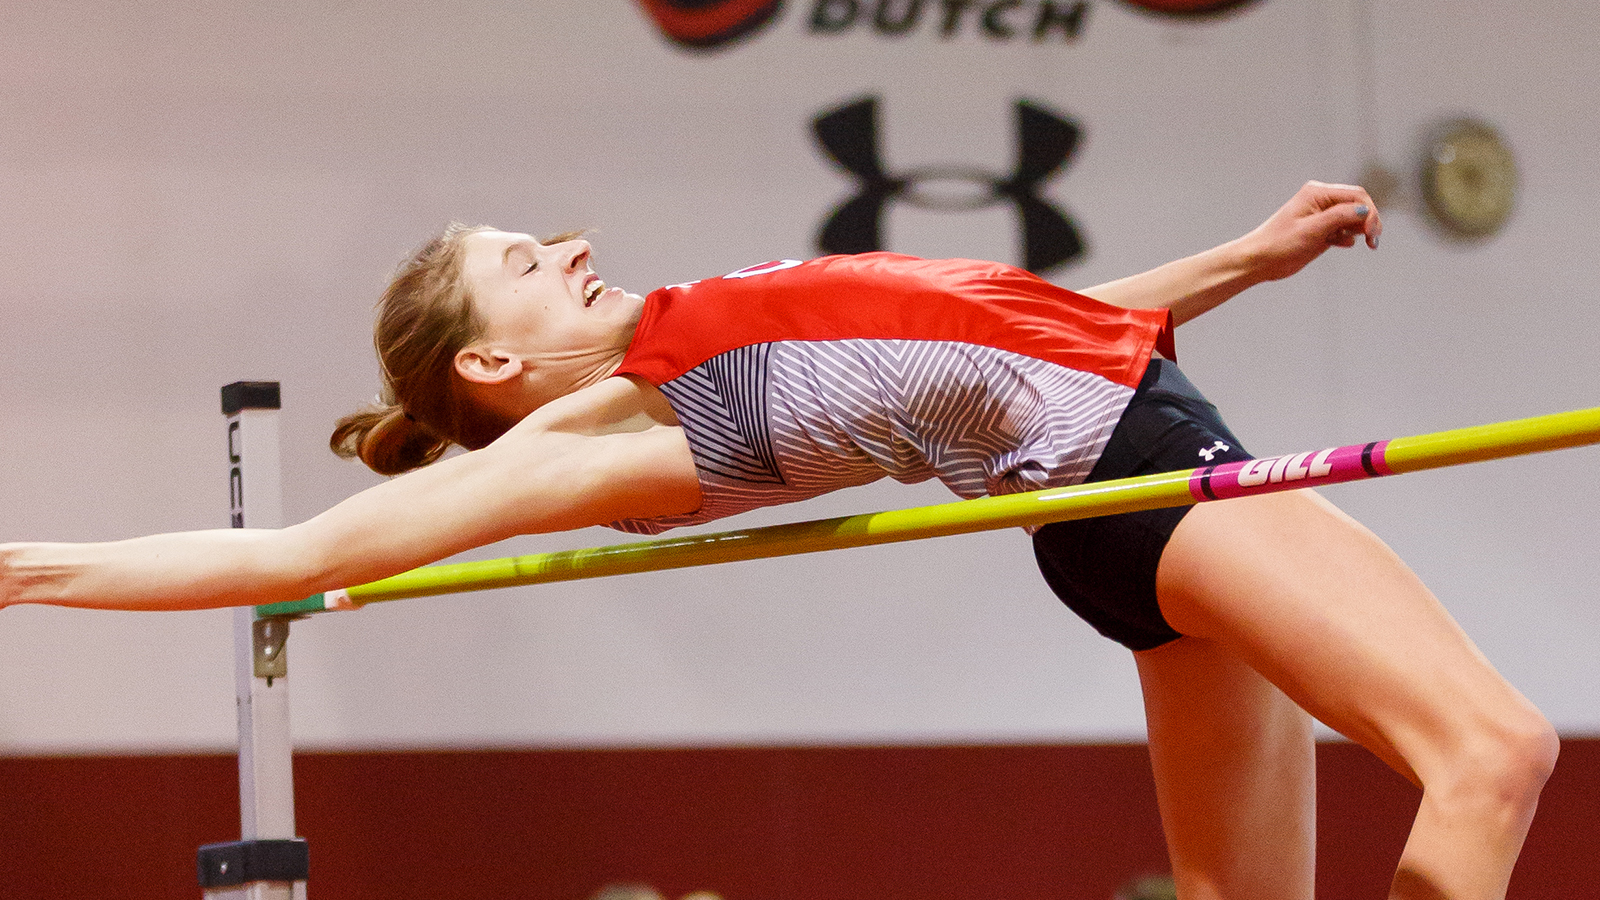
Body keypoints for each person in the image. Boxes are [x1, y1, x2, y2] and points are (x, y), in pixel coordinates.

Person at [0, 182, 1556, 900]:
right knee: (1491, 755)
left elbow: (1014, 332)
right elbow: (294, 557)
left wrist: (1245, 259)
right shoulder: (594, 437)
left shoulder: (687, 347)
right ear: (490, 358)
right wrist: (25, 570)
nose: (577, 245)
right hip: (1138, 476)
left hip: (1108, 473)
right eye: (528, 262)